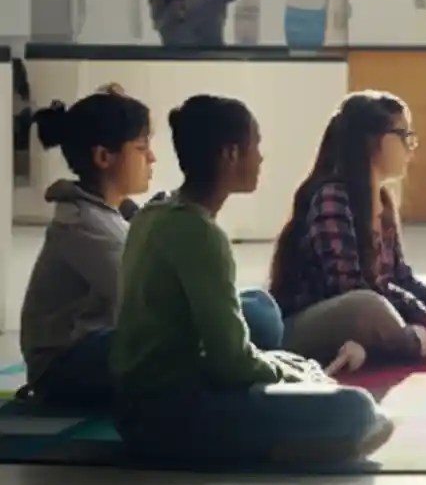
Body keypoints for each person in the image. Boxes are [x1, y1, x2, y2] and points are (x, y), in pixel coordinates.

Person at [110, 95, 390, 465]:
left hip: (134, 406)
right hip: (168, 417)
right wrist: (293, 374)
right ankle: (283, 445)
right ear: (230, 154)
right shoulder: (200, 234)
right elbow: (231, 363)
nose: (260, 158)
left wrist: (285, 364)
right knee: (354, 408)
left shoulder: (155, 212)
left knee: (261, 310)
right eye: (255, 146)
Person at [16, 87, 283, 409]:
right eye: (141, 148)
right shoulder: (83, 226)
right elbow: (143, 307)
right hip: (67, 366)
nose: (152, 157)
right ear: (104, 157)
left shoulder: (124, 214)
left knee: (257, 307)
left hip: (109, 342)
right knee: (248, 321)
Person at [270, 91, 426, 371]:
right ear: (376, 140)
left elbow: (400, 275)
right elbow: (347, 288)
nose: (412, 147)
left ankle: (381, 345)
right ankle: (421, 342)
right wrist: (419, 311)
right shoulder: (332, 197)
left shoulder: (382, 201)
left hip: (374, 310)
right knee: (368, 307)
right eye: (405, 135)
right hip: (316, 320)